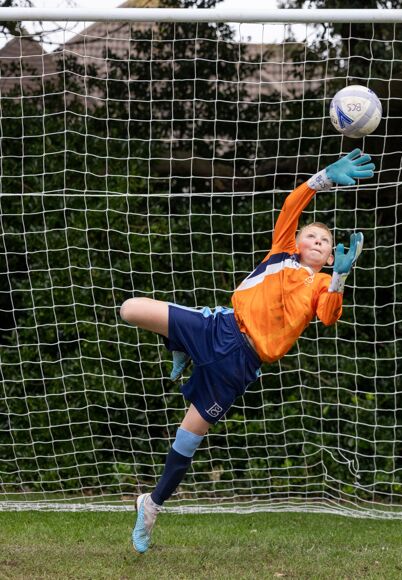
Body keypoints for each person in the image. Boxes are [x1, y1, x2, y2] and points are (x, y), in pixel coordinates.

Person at [119, 149, 375, 553]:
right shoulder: (280, 253)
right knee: (130, 309)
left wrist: (341, 276)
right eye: (311, 234)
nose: (318, 240)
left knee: (187, 442)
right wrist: (323, 177)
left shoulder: (324, 284)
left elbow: (328, 317)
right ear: (296, 240)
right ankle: (180, 342)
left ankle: (150, 505)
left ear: (329, 256)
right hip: (220, 328)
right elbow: (293, 203)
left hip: (240, 366)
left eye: (325, 241)